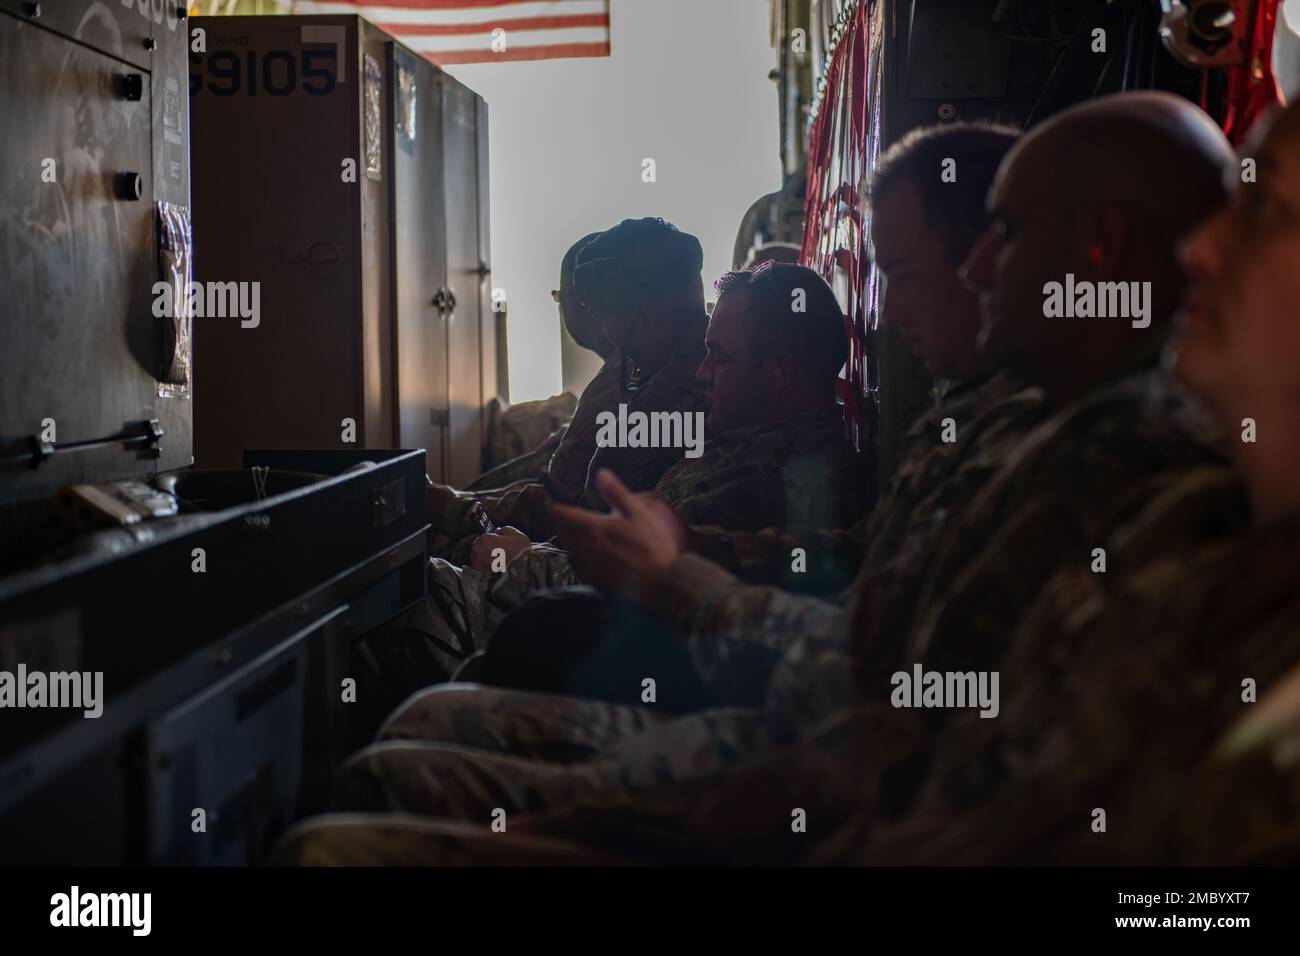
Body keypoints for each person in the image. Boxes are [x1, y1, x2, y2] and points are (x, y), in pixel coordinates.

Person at [388, 264, 868, 683]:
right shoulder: (746, 440)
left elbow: (640, 598)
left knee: (400, 598)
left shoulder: (770, 486)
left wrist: (517, 561)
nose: (702, 373)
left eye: (720, 357)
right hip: (560, 603)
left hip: (592, 641)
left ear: (779, 371)